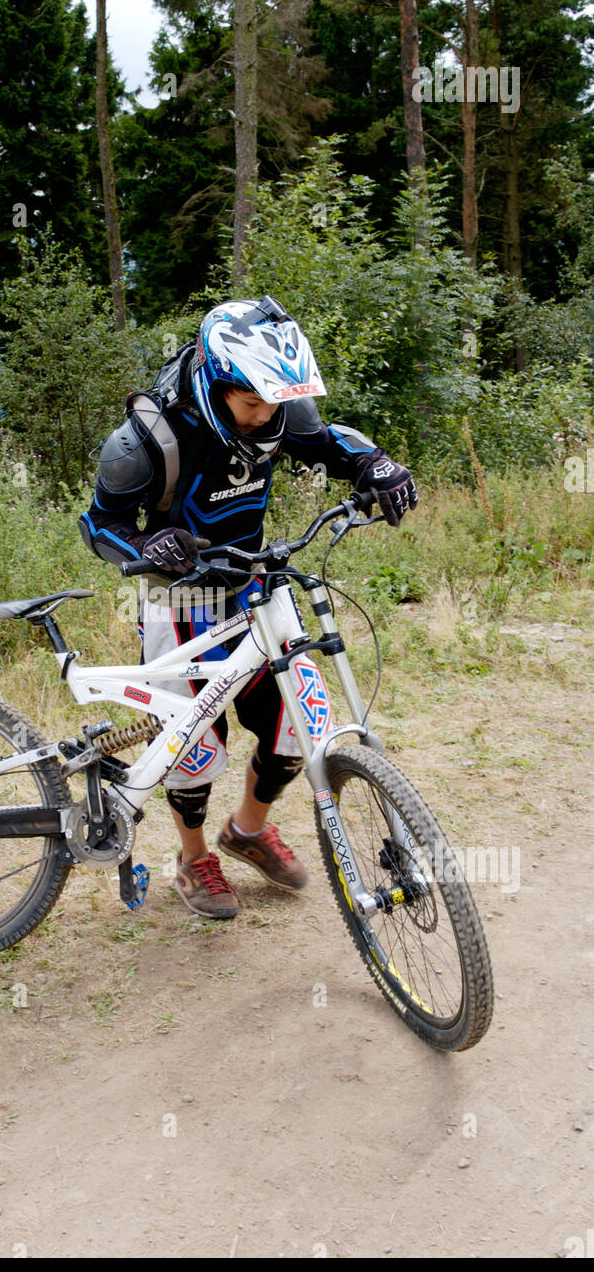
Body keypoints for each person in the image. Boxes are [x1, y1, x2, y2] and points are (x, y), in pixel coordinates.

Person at [79, 296, 417, 920]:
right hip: (179, 598)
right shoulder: (148, 438)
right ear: (217, 383)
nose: (265, 417)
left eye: (273, 403)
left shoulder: (279, 407)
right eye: (251, 404)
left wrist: (377, 464)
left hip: (257, 588)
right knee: (192, 746)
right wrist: (147, 546)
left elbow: (330, 445)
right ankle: (192, 858)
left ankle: (248, 830)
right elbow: (99, 523)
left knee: (299, 723)